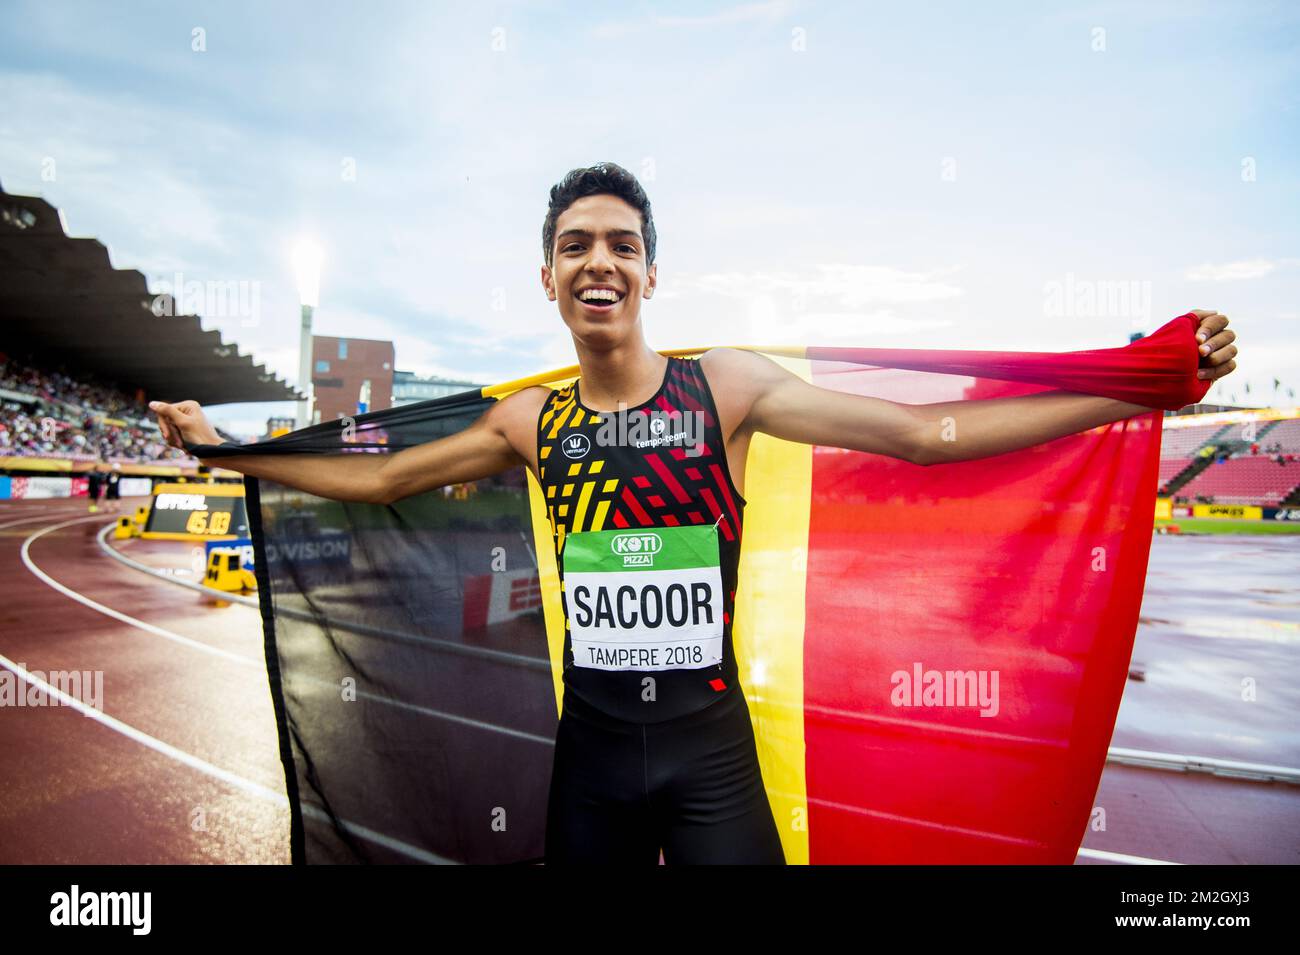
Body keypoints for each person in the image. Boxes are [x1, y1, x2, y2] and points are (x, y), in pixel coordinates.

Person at [147, 161, 1241, 865]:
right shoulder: (533, 421)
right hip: (593, 755)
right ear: (549, 280)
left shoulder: (724, 386)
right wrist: (226, 450)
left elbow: (924, 436)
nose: (599, 261)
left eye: (620, 244)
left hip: (708, 752)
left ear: (651, 274)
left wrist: (1143, 384)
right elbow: (383, 478)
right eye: (577, 245)